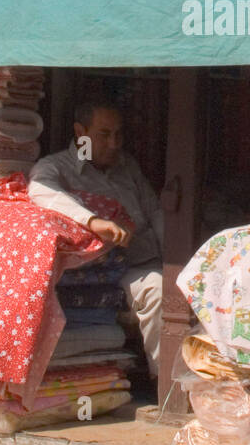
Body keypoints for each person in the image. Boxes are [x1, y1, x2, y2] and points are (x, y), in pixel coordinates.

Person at [27, 100, 164, 376]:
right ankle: (167, 387)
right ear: (81, 133)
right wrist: (93, 222)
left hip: (153, 257)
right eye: (104, 135)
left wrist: (178, 256)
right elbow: (40, 192)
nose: (113, 143)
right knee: (160, 290)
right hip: (116, 271)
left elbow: (155, 212)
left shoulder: (127, 167)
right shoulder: (56, 167)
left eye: (118, 134)